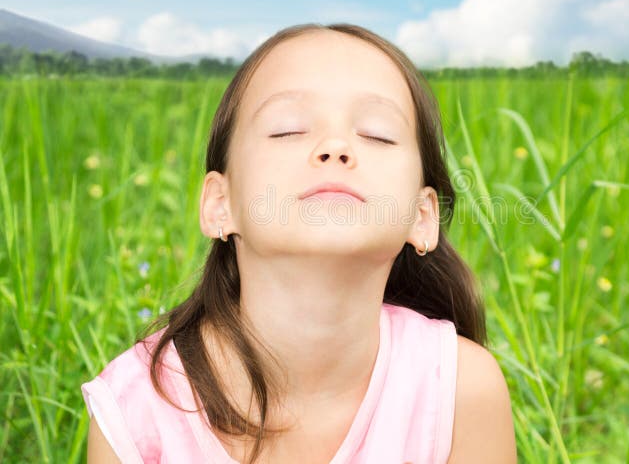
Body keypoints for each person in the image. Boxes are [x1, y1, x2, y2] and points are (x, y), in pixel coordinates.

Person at [82, 23, 517, 463]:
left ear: (422, 217)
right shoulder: (137, 410)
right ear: (219, 205)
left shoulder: (459, 391)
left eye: (377, 133)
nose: (335, 147)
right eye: (287, 129)